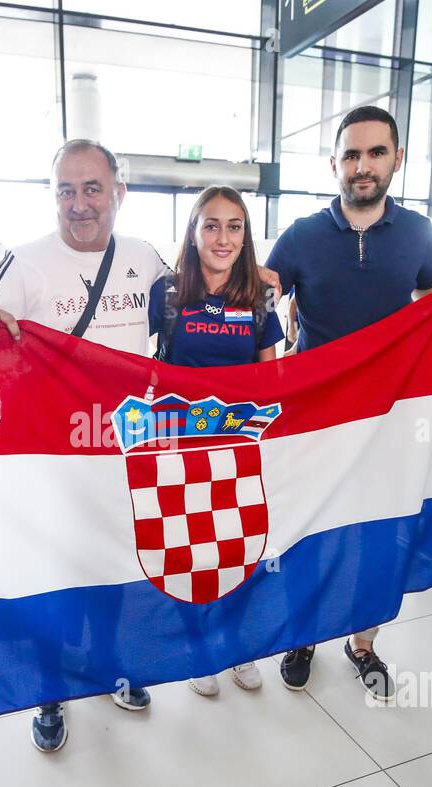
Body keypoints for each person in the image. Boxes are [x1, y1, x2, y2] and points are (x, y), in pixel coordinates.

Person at [0, 139, 170, 752]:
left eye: (92, 189)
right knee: (54, 575)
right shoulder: (25, 263)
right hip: (50, 455)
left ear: (119, 194)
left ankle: (108, 665)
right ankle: (50, 689)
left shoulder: (145, 257)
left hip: (123, 450)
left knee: (112, 564)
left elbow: (194, 321)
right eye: (65, 191)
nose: (79, 204)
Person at [265, 104, 432, 701]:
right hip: (314, 418)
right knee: (308, 527)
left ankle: (363, 643)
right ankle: (303, 633)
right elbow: (253, 294)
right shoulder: (301, 236)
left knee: (377, 531)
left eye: (376, 153)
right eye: (352, 155)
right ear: (335, 164)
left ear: (397, 160)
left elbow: (430, 296)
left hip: (389, 418)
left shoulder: (416, 231)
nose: (363, 166)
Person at [148, 186, 285, 695]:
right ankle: (198, 645)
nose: (222, 237)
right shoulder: (166, 291)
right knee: (188, 547)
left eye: (234, 226)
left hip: (239, 443)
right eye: (211, 225)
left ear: (245, 235)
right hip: (180, 443)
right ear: (194, 231)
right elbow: (123, 351)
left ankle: (234, 643)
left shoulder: (259, 292)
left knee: (238, 542)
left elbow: (270, 375)